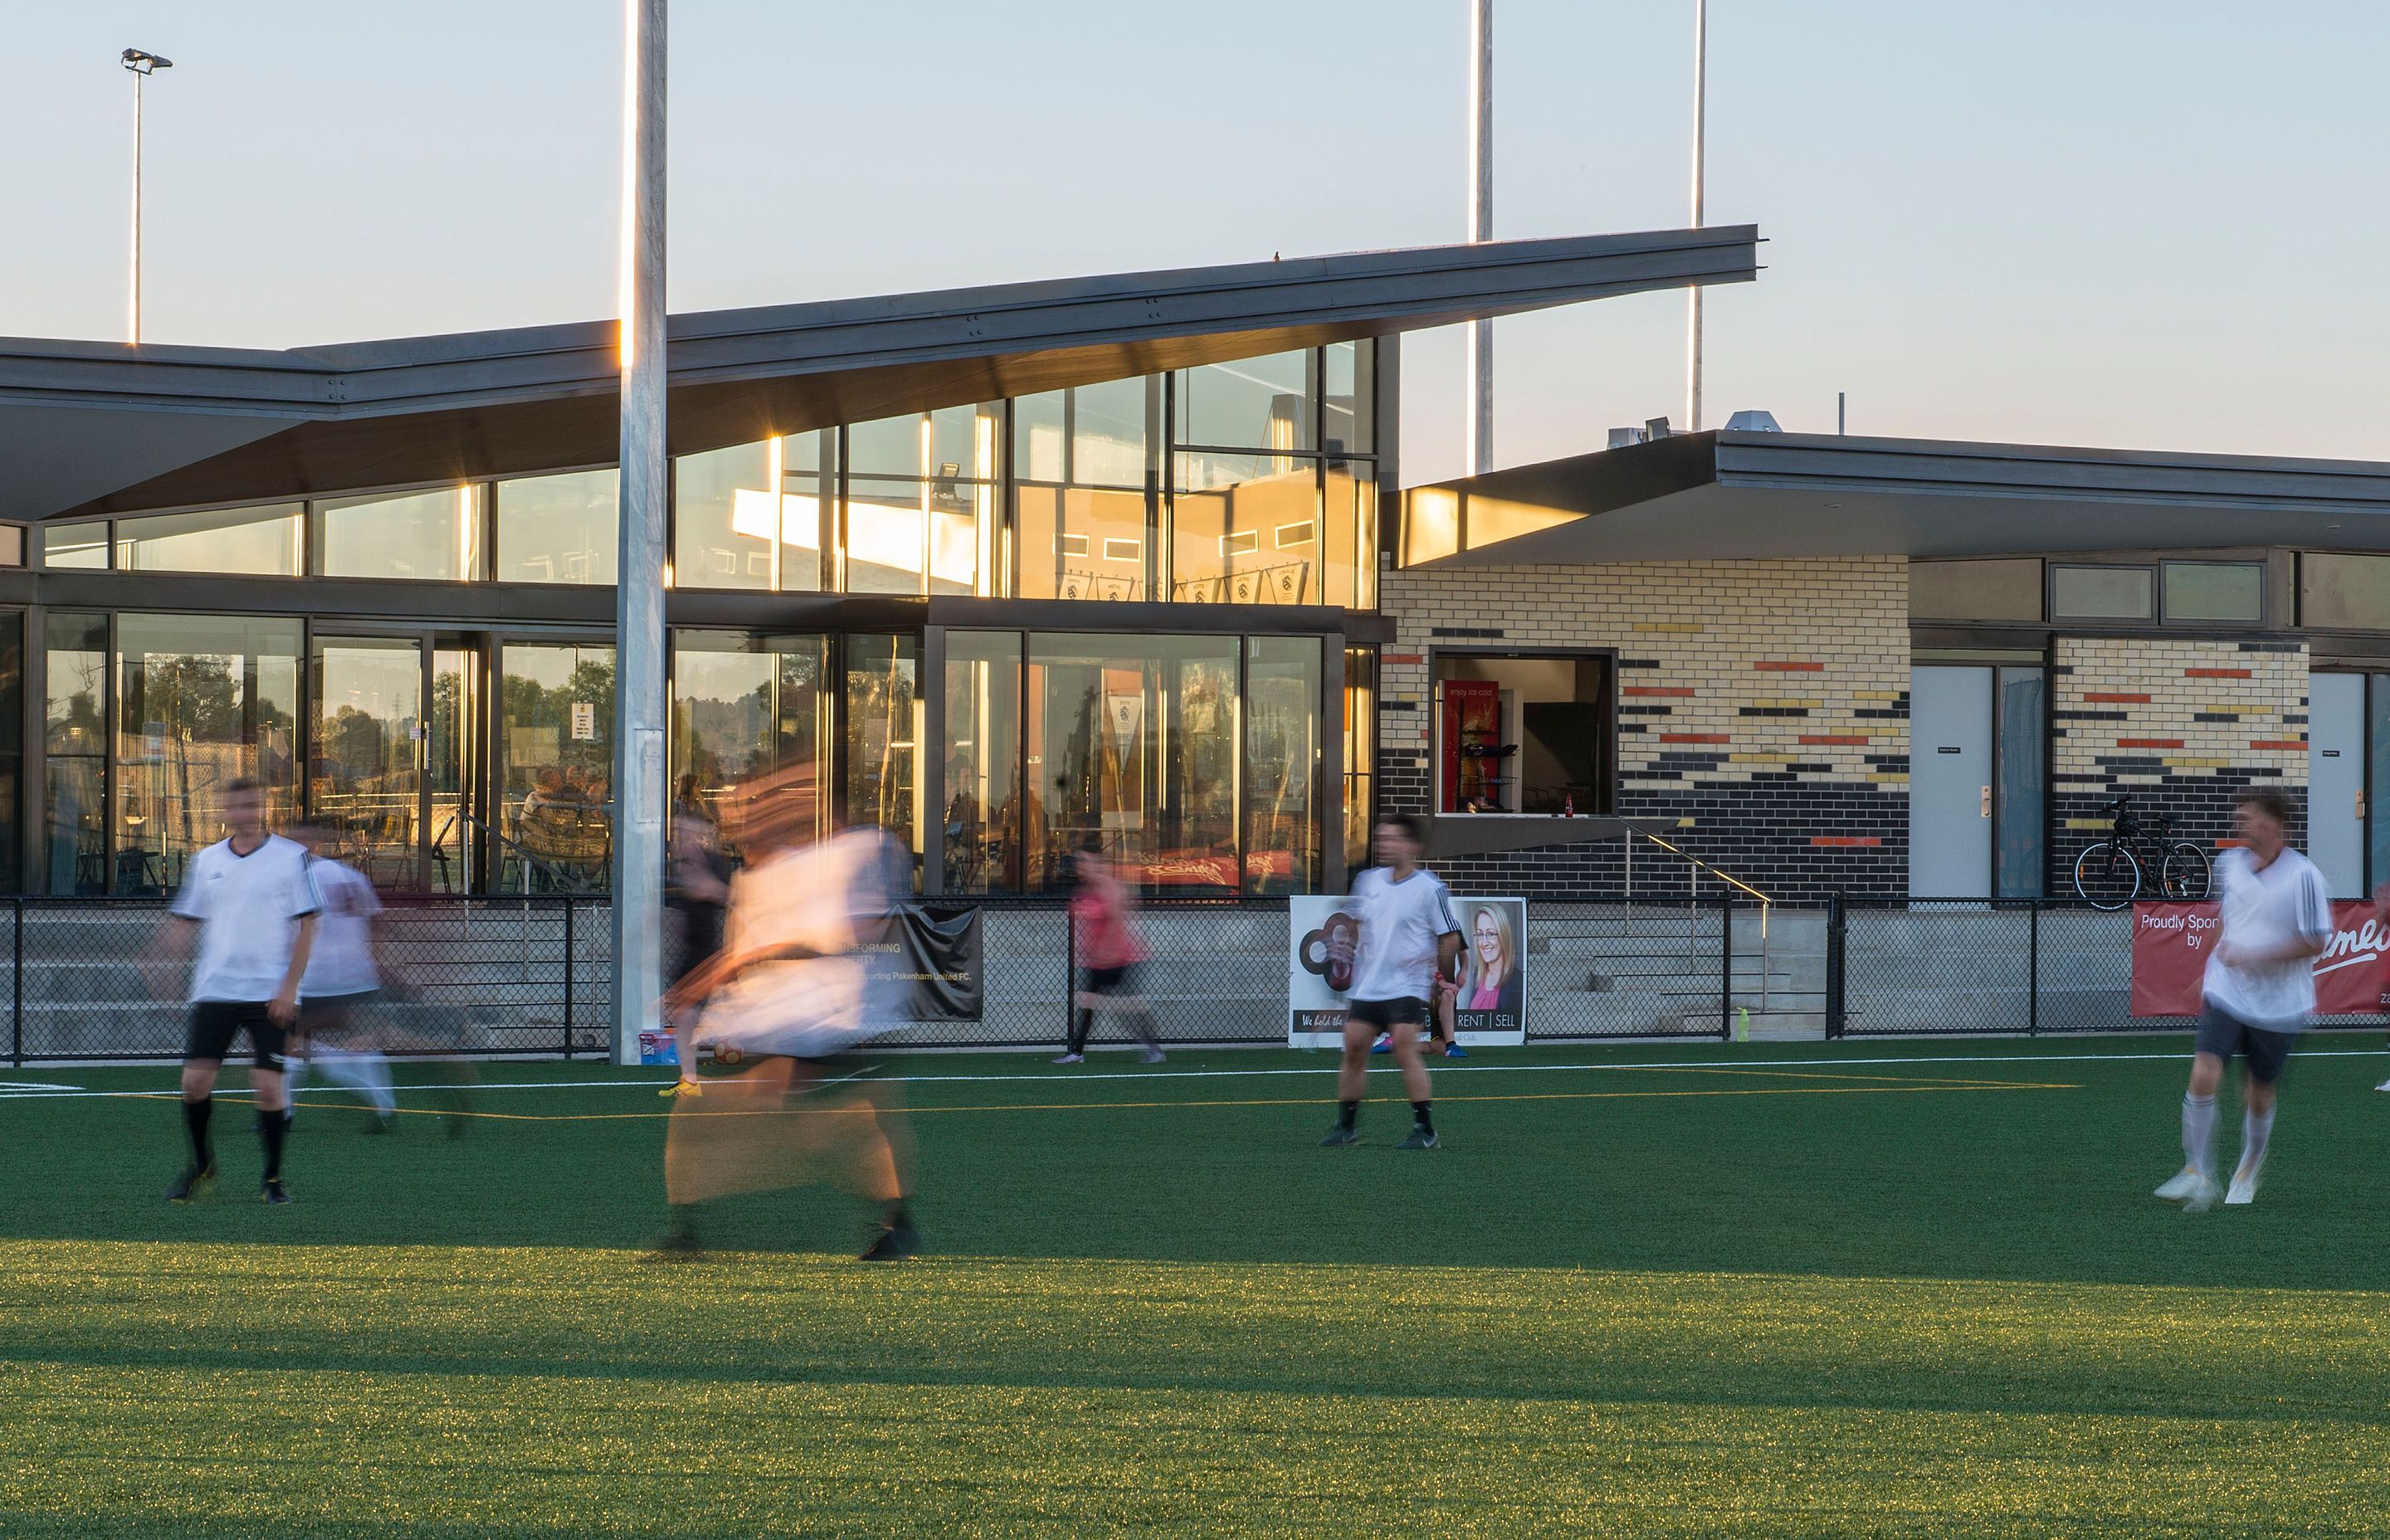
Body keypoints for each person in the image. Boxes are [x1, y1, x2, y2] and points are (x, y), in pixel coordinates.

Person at [660, 770, 919, 1260]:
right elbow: (755, 941)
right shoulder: (756, 878)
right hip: (783, 1024)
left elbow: (828, 936)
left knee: (835, 1130)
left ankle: (897, 1222)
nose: (742, 822)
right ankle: (688, 1232)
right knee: (713, 1117)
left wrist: (727, 968)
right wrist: (718, 973)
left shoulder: (835, 861)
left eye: (754, 810)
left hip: (832, 1021)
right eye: (737, 813)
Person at [2154, 789, 2330, 1211]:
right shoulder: (2228, 864)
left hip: (2279, 1006)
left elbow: (2315, 941)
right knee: (2203, 1074)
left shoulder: (2303, 876)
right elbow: (2226, 917)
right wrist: (2206, 970)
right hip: (2227, 992)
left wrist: (2252, 954)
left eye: (2249, 818)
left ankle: (2249, 1166)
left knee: (2257, 1095)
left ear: (2273, 825)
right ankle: (2198, 1172)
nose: (2241, 824)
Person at [157, 778, 321, 1205]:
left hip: (270, 991)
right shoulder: (206, 860)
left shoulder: (291, 857)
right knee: (194, 1084)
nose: (246, 812)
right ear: (225, 812)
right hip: (216, 989)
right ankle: (202, 1166)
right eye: (237, 806)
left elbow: (309, 925)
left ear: (263, 807)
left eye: (252, 804)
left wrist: (290, 987)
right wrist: (167, 964)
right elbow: (185, 921)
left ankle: (272, 1180)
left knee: (269, 1089)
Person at [1320, 813, 1460, 1151]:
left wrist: (1441, 977)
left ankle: (1425, 1130)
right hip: (1370, 985)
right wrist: (1346, 944)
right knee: (1353, 1047)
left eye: (1392, 838)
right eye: (1381, 838)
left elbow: (1451, 936)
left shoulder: (1430, 888)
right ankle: (1347, 1127)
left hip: (1407, 985)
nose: (1384, 843)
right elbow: (1358, 923)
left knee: (1403, 1048)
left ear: (1412, 846)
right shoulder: (1368, 881)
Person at [282, 821, 395, 1133]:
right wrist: (377, 962)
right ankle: (385, 1108)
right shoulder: (352, 876)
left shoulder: (296, 880)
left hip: (316, 977)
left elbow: (289, 931)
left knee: (293, 1044)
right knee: (359, 1047)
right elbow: (377, 921)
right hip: (357, 977)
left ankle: (281, 1115)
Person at [1054, 841, 1164, 1065]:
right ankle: (1077, 1052)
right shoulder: (1085, 890)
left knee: (1126, 1007)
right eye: (1079, 863)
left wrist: (1105, 950)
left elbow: (1115, 918)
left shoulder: (1108, 887)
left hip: (1118, 958)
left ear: (1096, 863)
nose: (1080, 867)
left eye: (1085, 862)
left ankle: (1153, 1048)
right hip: (1098, 961)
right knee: (1089, 1004)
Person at [1462, 904, 1523, 1017]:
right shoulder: (1478, 974)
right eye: (1480, 934)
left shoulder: (1517, 981)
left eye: (1490, 934)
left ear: (1503, 936)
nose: (1484, 943)